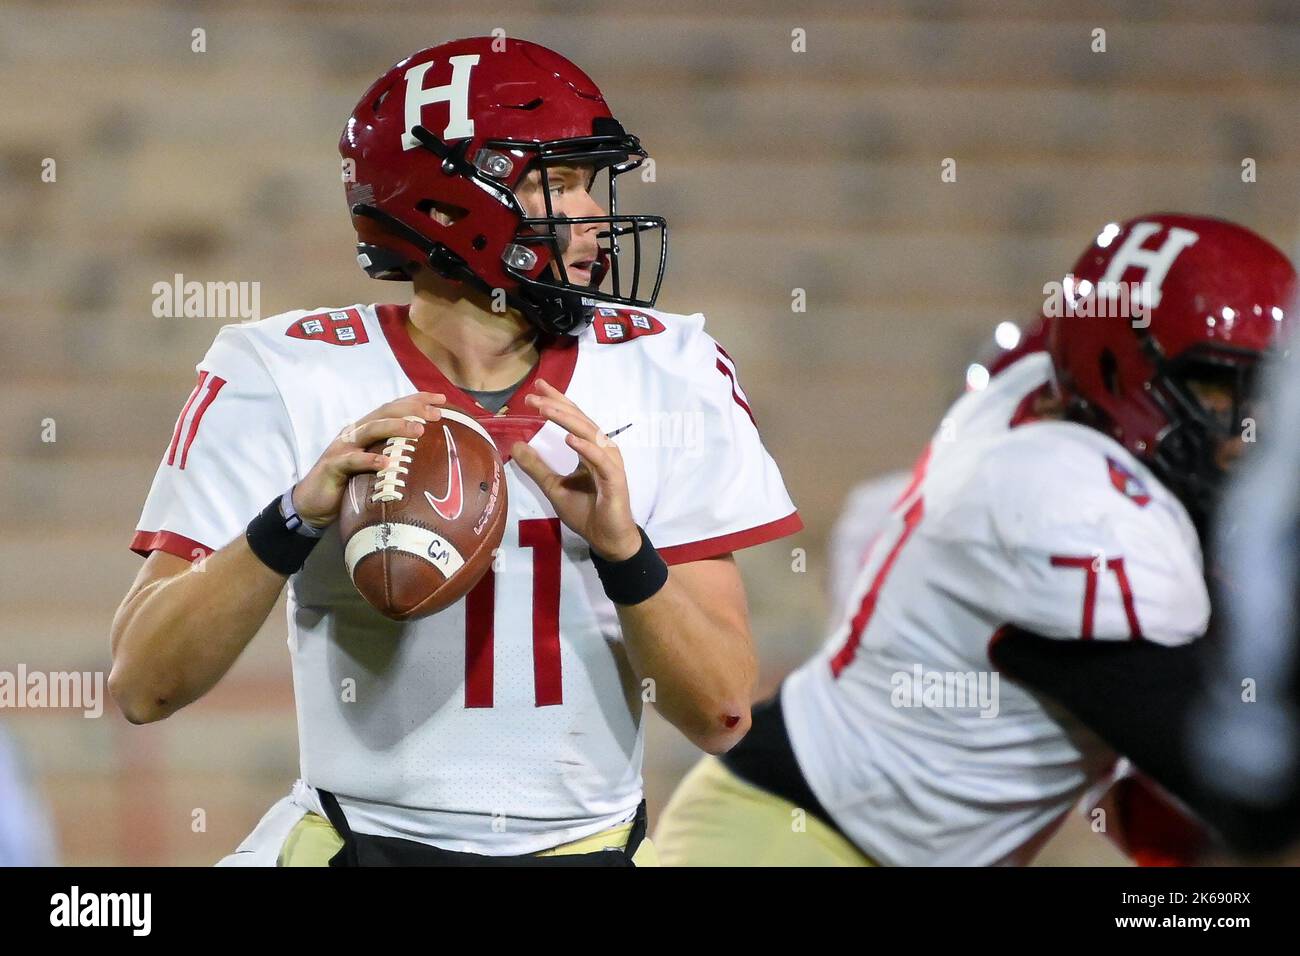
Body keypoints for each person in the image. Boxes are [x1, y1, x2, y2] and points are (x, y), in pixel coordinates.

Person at [109, 37, 800, 866]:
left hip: (593, 850)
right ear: (449, 204)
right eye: (558, 183)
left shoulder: (669, 364)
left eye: (590, 183)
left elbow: (721, 711)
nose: (590, 215)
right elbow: (144, 684)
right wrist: (294, 518)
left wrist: (624, 551)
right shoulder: (285, 369)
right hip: (356, 842)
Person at [655, 213, 1295, 865]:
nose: (1251, 429)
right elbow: (1250, 799)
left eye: (1270, 392)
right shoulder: (1076, 510)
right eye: (1220, 389)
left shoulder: (1048, 396)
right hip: (791, 844)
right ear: (1119, 369)